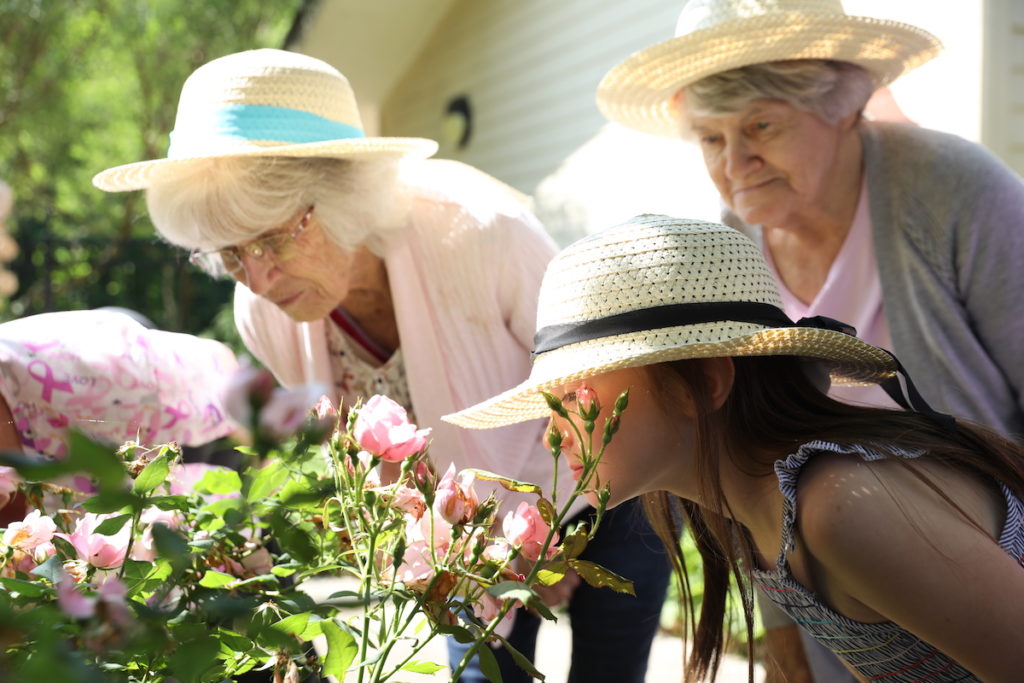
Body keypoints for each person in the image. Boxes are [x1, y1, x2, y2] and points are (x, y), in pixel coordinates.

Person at [92, 48, 670, 682]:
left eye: (273, 237)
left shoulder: (483, 233)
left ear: (344, 195)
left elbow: (598, 384)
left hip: (609, 491)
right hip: (470, 537)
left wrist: (548, 538)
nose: (256, 277)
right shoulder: (265, 310)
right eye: (230, 254)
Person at [595, 0, 1024, 678]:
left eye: (760, 125)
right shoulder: (732, 247)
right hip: (848, 617)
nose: (736, 164)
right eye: (711, 139)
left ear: (842, 106)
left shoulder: (951, 187)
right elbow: (750, 453)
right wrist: (782, 626)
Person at [445, 213, 1024, 683]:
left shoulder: (840, 506)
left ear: (706, 383)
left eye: (575, 393)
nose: (552, 431)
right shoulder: (753, 513)